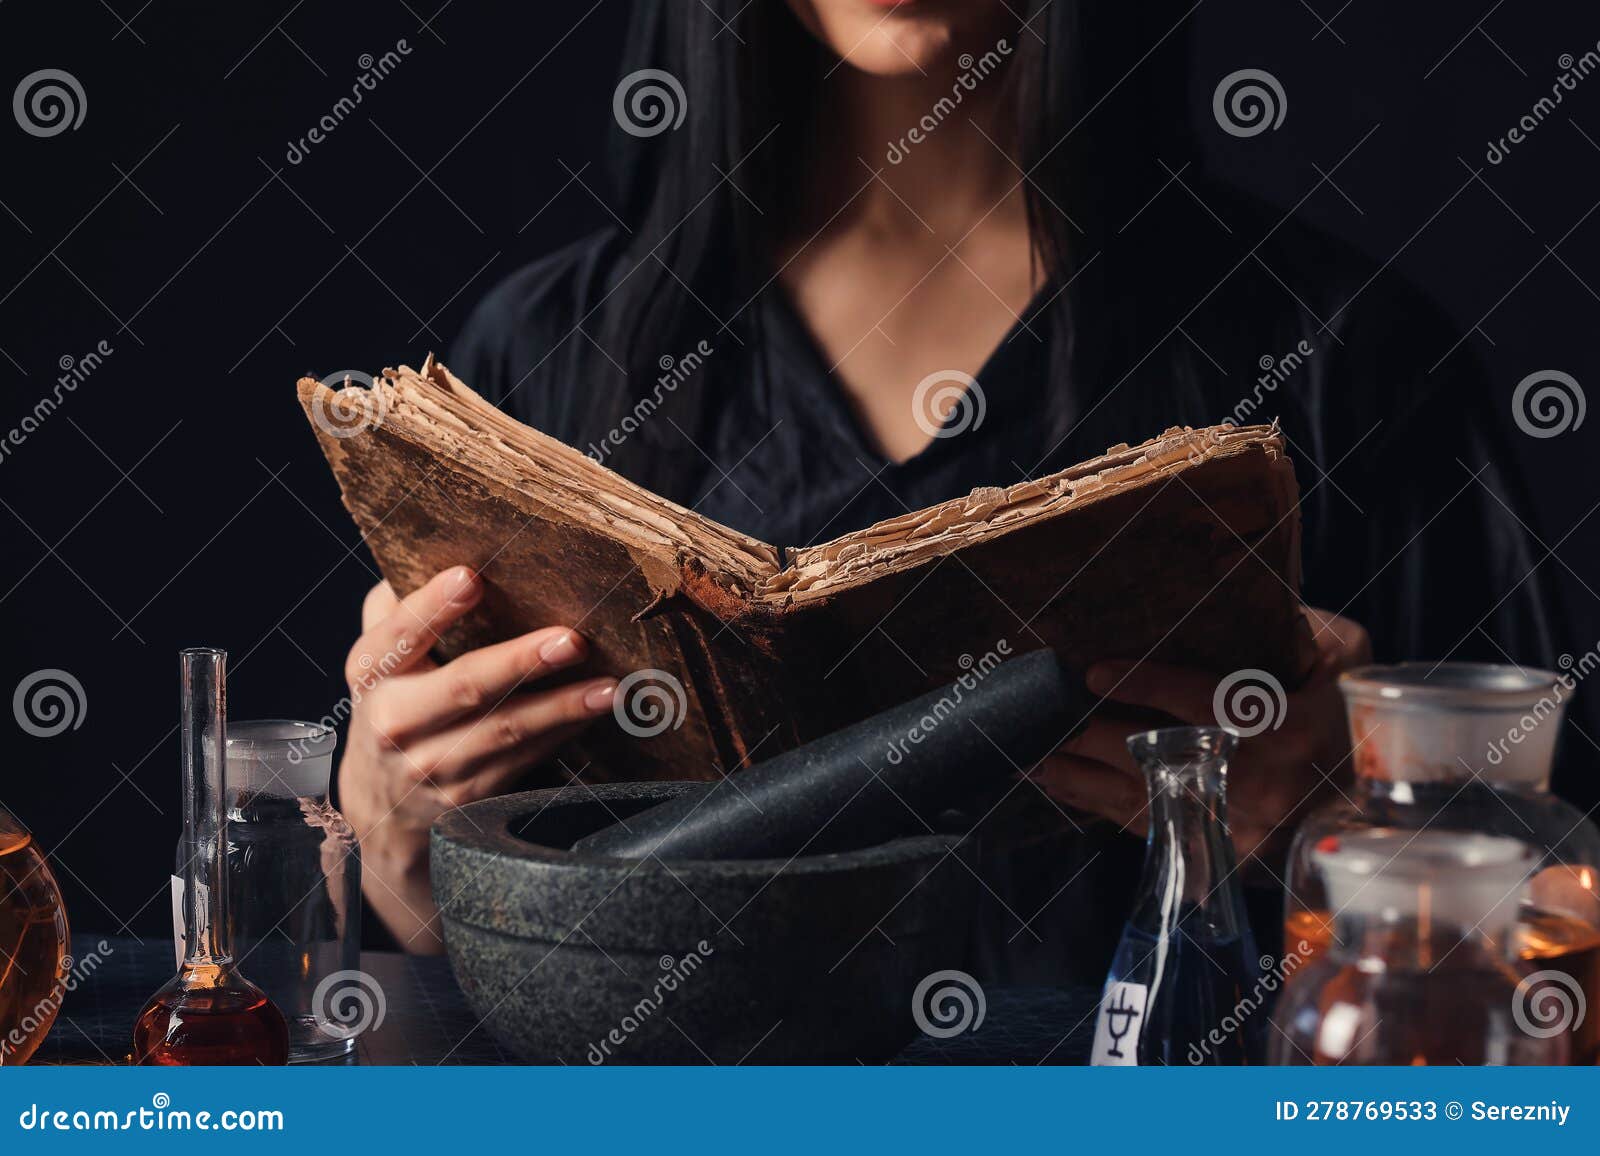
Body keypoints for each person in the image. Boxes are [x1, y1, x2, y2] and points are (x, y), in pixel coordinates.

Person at [336, 0, 1558, 959]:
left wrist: (1352, 837)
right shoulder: (542, 364)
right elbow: (460, 982)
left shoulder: (1344, 358)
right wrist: (394, 845)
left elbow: (1544, 925)